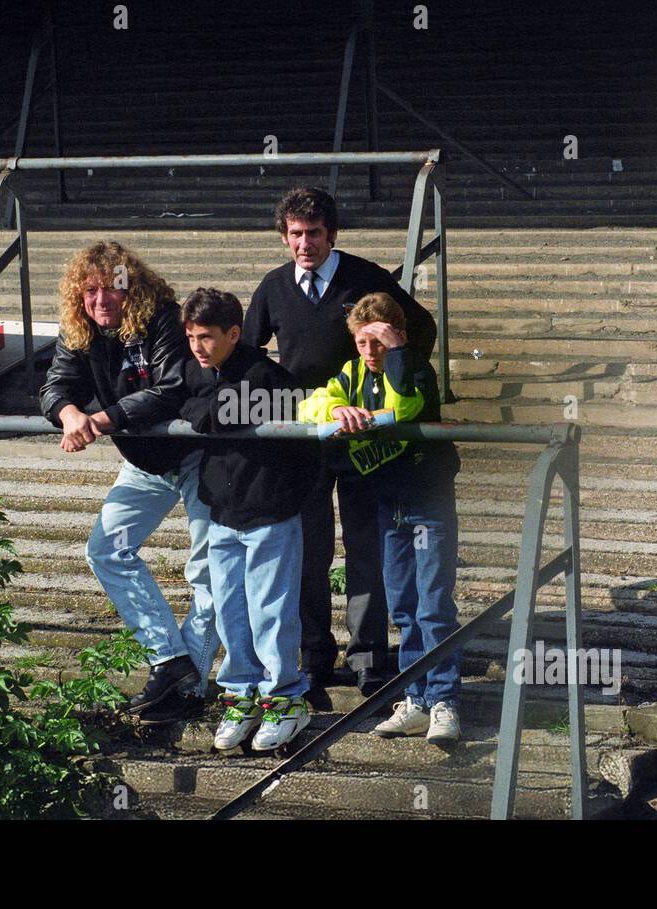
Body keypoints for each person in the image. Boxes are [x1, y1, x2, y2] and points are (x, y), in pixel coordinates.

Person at [244, 186, 437, 705]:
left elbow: (421, 331)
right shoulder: (274, 287)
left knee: (365, 546)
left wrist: (385, 377)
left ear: (332, 235)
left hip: (364, 439)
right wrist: (279, 400)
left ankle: (370, 657)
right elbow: (247, 354)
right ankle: (313, 655)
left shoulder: (368, 279)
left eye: (313, 234)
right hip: (307, 436)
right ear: (285, 237)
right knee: (308, 549)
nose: (304, 244)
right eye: (295, 235)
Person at [38, 241, 217, 724]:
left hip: (199, 455)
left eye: (111, 290)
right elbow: (54, 385)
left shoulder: (163, 318)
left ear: (130, 288)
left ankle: (194, 680)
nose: (100, 301)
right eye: (89, 291)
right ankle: (171, 660)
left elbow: (171, 389)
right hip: (144, 463)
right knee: (105, 549)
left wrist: (100, 420)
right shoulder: (79, 330)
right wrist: (69, 411)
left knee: (208, 571)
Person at [299, 292, 463, 744]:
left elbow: (406, 407)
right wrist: (336, 410)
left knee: (433, 606)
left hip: (427, 500)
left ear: (401, 339)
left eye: (380, 342)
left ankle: (445, 699)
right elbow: (308, 407)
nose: (371, 352)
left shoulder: (414, 370)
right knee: (405, 607)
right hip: (388, 505)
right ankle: (416, 698)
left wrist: (397, 355)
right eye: (363, 342)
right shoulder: (350, 373)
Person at [178, 288, 317, 751]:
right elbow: (197, 407)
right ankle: (241, 697)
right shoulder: (206, 371)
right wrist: (202, 410)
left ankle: (286, 701)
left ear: (234, 334)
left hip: (269, 514)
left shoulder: (266, 375)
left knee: (271, 612)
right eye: (192, 336)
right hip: (223, 513)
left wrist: (203, 410)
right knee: (231, 613)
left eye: (207, 337)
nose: (197, 346)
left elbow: (219, 412)